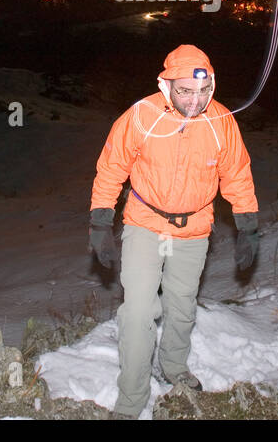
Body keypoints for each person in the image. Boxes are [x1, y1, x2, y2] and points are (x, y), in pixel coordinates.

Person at [89, 44, 260, 419]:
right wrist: (101, 221)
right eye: (185, 91)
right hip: (145, 222)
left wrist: (247, 226)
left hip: (195, 228)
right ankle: (131, 400)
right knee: (137, 311)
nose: (195, 100)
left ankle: (174, 367)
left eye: (203, 91)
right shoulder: (140, 116)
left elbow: (237, 174)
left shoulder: (221, 122)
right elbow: (111, 168)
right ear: (166, 86)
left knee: (181, 307)